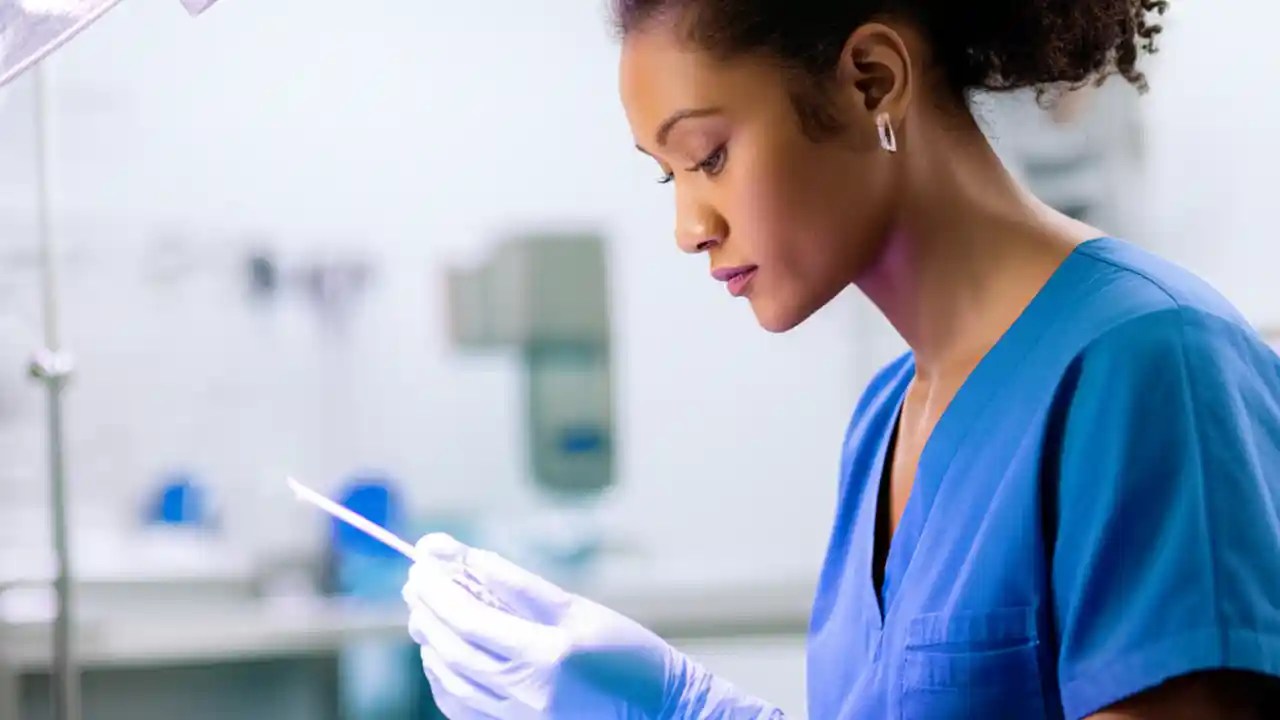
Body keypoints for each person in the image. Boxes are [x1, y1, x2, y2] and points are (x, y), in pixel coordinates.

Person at [400, 0, 1280, 717]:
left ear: (872, 80)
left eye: (710, 155)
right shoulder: (882, 423)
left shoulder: (1150, 364)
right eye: (672, 175)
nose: (690, 228)